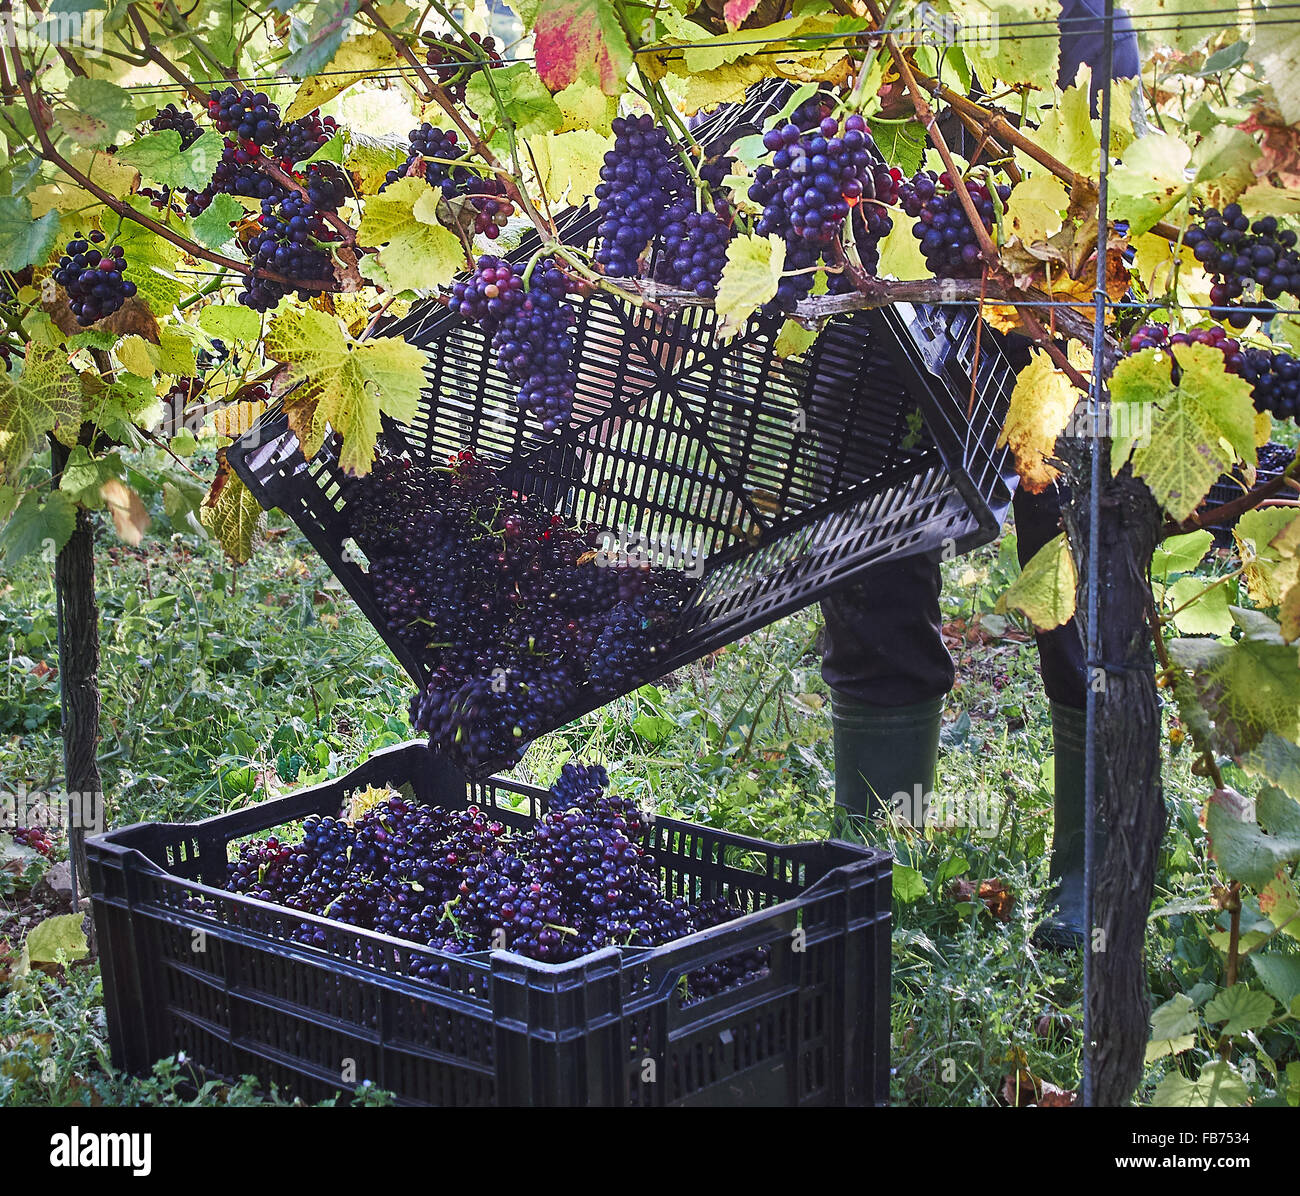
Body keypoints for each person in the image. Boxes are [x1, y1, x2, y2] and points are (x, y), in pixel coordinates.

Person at [822, 0, 1141, 947]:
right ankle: (883, 855)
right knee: (860, 483)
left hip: (1046, 90)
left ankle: (1093, 859)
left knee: (1073, 478)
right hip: (871, 108)